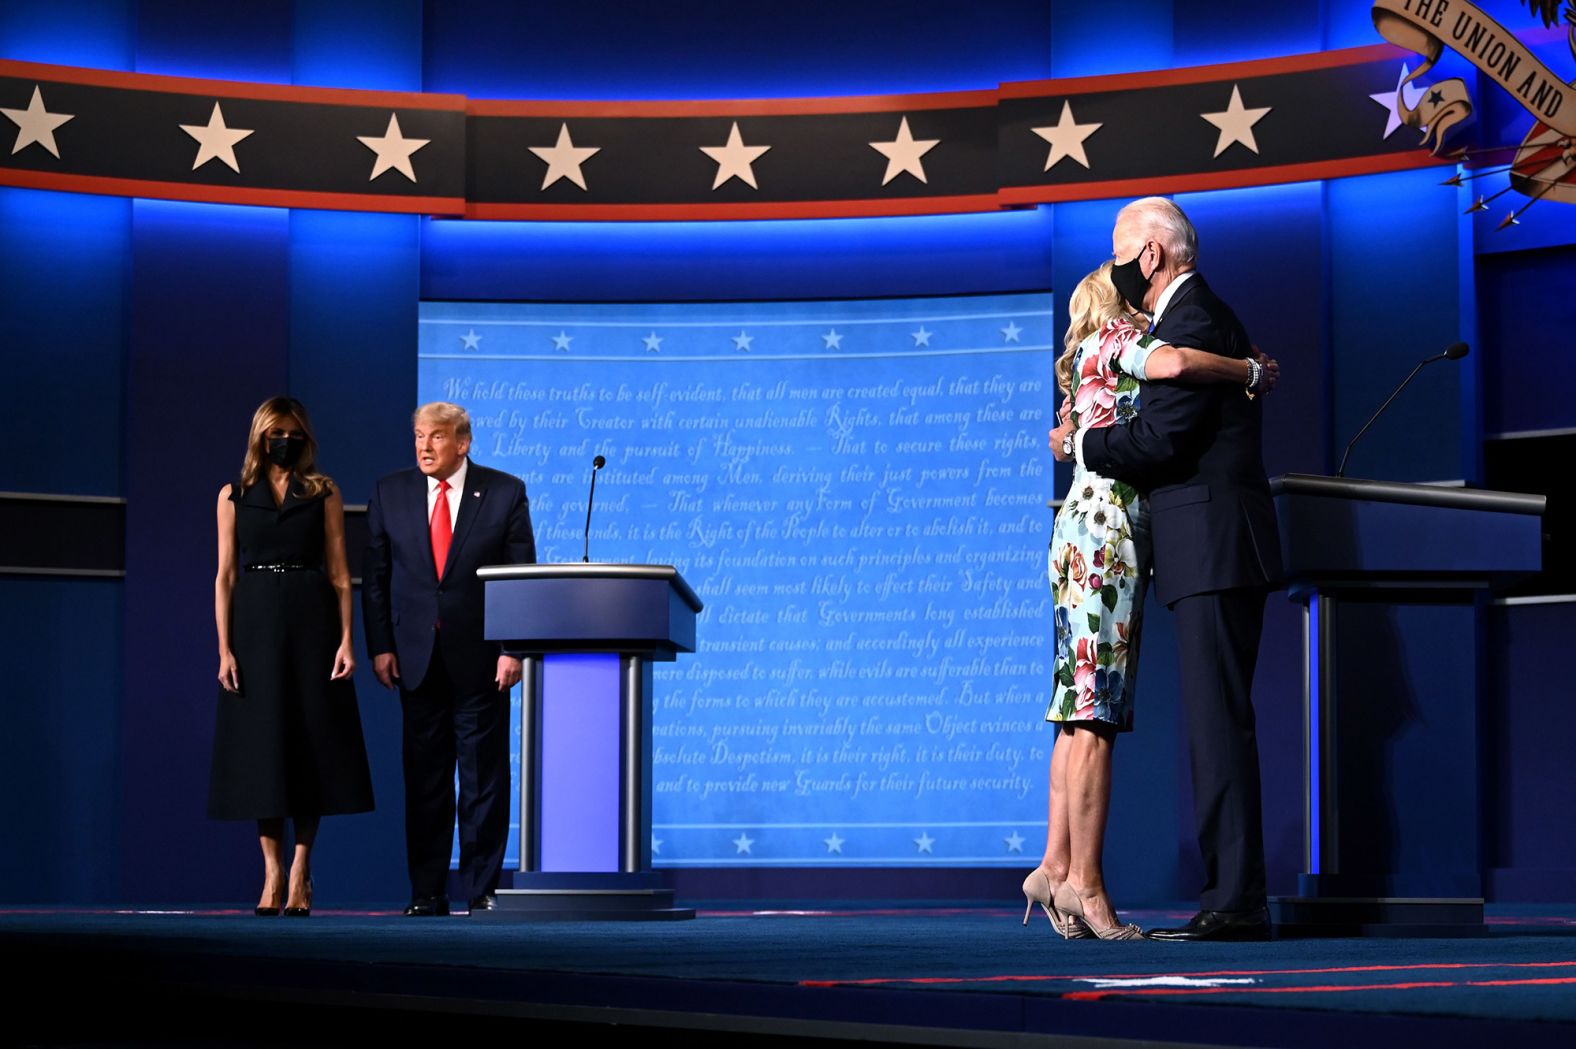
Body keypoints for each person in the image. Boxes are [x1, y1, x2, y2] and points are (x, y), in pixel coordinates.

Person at [1048, 197, 1283, 942]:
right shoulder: (1156, 333)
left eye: (1122, 252)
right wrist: (1251, 369)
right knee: (1113, 712)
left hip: (1210, 543)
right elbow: (1168, 392)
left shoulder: (1190, 315)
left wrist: (1079, 445)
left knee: (1202, 722)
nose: (1118, 269)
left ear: (1150, 256)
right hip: (1155, 543)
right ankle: (1085, 876)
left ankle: (1232, 898)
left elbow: (1163, 438)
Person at [363, 401, 536, 917]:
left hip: (482, 660)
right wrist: (381, 647)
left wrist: (513, 649)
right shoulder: (390, 492)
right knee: (425, 781)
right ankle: (427, 892)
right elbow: (375, 579)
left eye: (436, 437)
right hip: (414, 659)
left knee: (482, 780)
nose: (424, 446)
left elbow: (520, 577)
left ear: (463, 443)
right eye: (418, 436)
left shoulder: (504, 492)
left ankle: (481, 891)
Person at [211, 396, 374, 917]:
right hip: (255, 626)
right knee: (263, 747)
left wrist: (348, 640)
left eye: (295, 432)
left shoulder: (322, 492)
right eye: (277, 432)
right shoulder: (233, 494)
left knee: (309, 743)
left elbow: (340, 573)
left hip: (313, 623)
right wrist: (224, 648)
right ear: (261, 435)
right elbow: (226, 576)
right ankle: (271, 872)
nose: (287, 440)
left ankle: (302, 869)